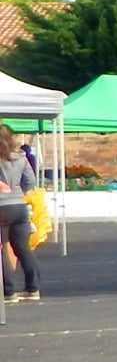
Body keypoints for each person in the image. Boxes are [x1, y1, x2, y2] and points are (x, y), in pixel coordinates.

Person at [0, 128, 41, 303]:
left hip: (1, 206)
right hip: (19, 205)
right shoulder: (21, 157)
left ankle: (9, 291)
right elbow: (30, 181)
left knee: (2, 250)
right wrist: (18, 194)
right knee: (23, 248)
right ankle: (33, 289)